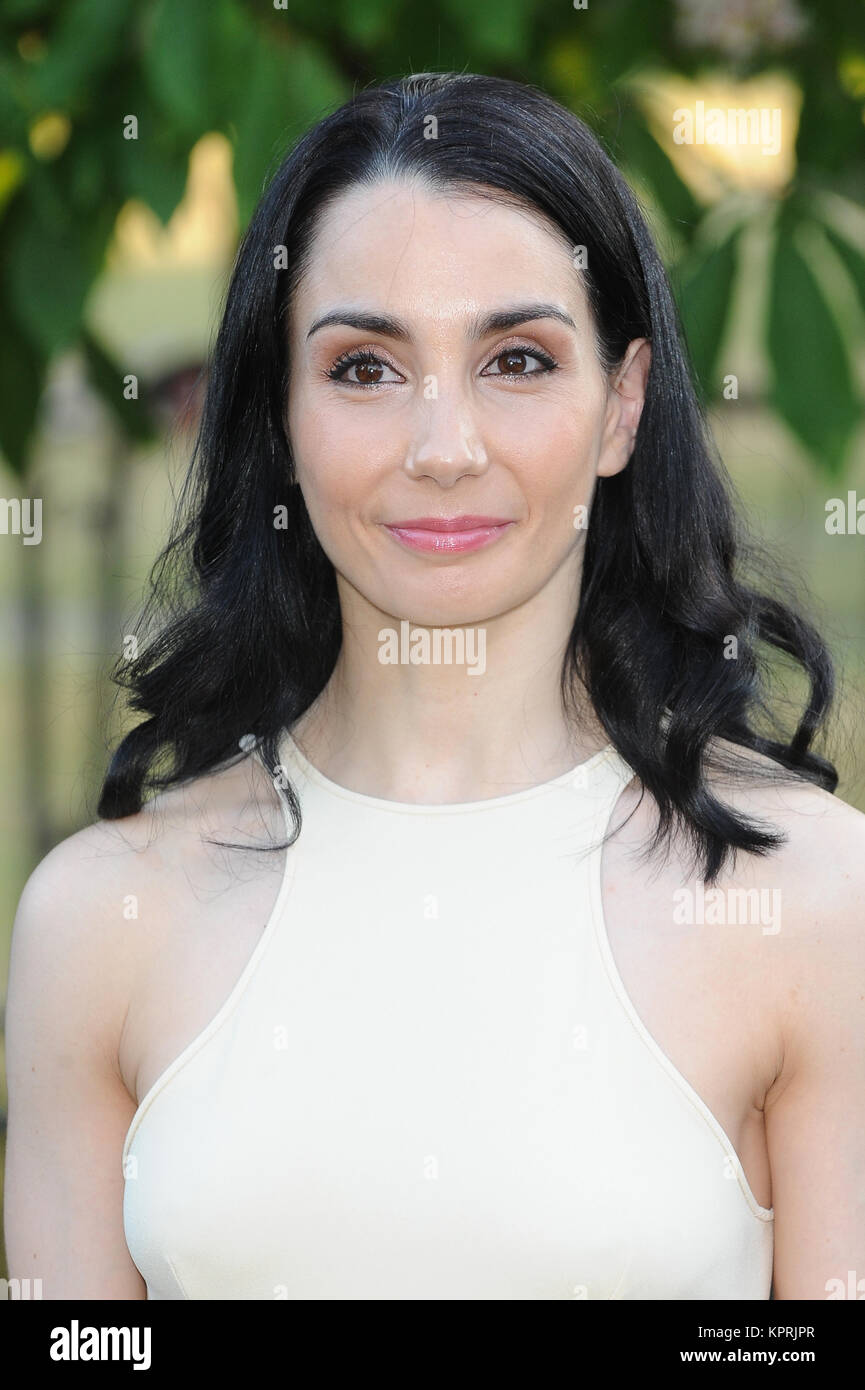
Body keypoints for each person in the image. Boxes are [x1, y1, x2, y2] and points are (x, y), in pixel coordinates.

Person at [5, 71, 864, 1301]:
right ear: (283, 414)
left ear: (620, 405)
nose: (443, 447)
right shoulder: (95, 925)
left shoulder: (815, 903)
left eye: (517, 358)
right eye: (364, 368)